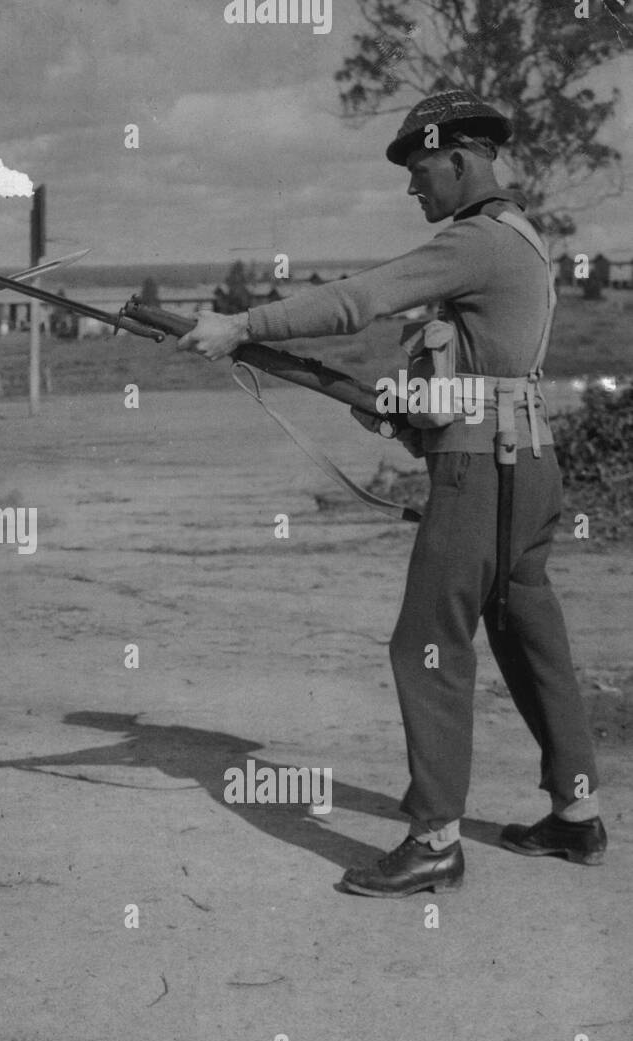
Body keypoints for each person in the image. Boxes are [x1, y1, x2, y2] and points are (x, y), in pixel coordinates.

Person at [180, 91, 604, 897]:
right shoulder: (518, 237)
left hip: (483, 474)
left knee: (426, 644)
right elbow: (479, 376)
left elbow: (359, 298)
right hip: (525, 462)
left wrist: (242, 327)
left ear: (458, 160)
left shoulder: (477, 239)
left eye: (419, 171)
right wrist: (406, 407)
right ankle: (576, 816)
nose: (413, 189)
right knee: (528, 636)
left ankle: (437, 839)